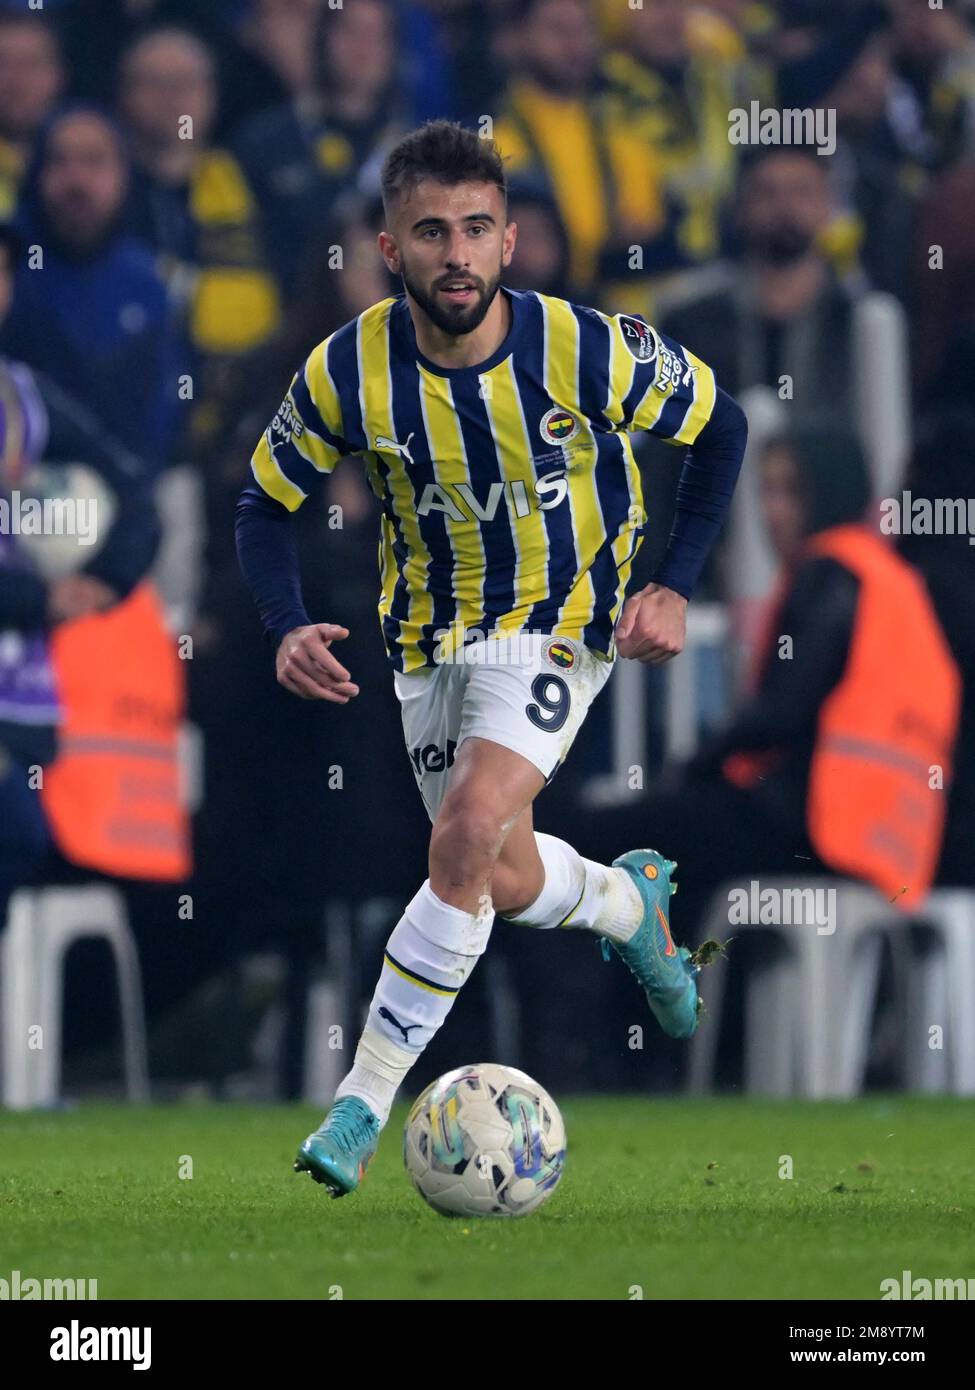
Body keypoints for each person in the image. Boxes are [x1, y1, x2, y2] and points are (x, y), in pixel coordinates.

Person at [235, 120, 747, 1196]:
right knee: (496, 874)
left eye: (477, 229)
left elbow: (722, 426)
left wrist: (674, 580)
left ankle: (361, 1105)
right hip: (425, 644)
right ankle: (625, 905)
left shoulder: (583, 347)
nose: (456, 254)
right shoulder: (347, 370)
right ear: (391, 248)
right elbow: (262, 504)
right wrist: (284, 622)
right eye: (431, 232)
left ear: (511, 241)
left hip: (564, 619)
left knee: (464, 831)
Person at [563, 427, 961, 942]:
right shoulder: (894, 584)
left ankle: (607, 1019)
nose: (774, 512)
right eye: (767, 492)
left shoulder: (830, 570)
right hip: (895, 848)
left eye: (791, 491)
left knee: (599, 847)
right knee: (687, 863)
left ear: (832, 488)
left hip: (818, 827)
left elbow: (779, 715)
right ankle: (700, 1005)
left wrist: (692, 768)